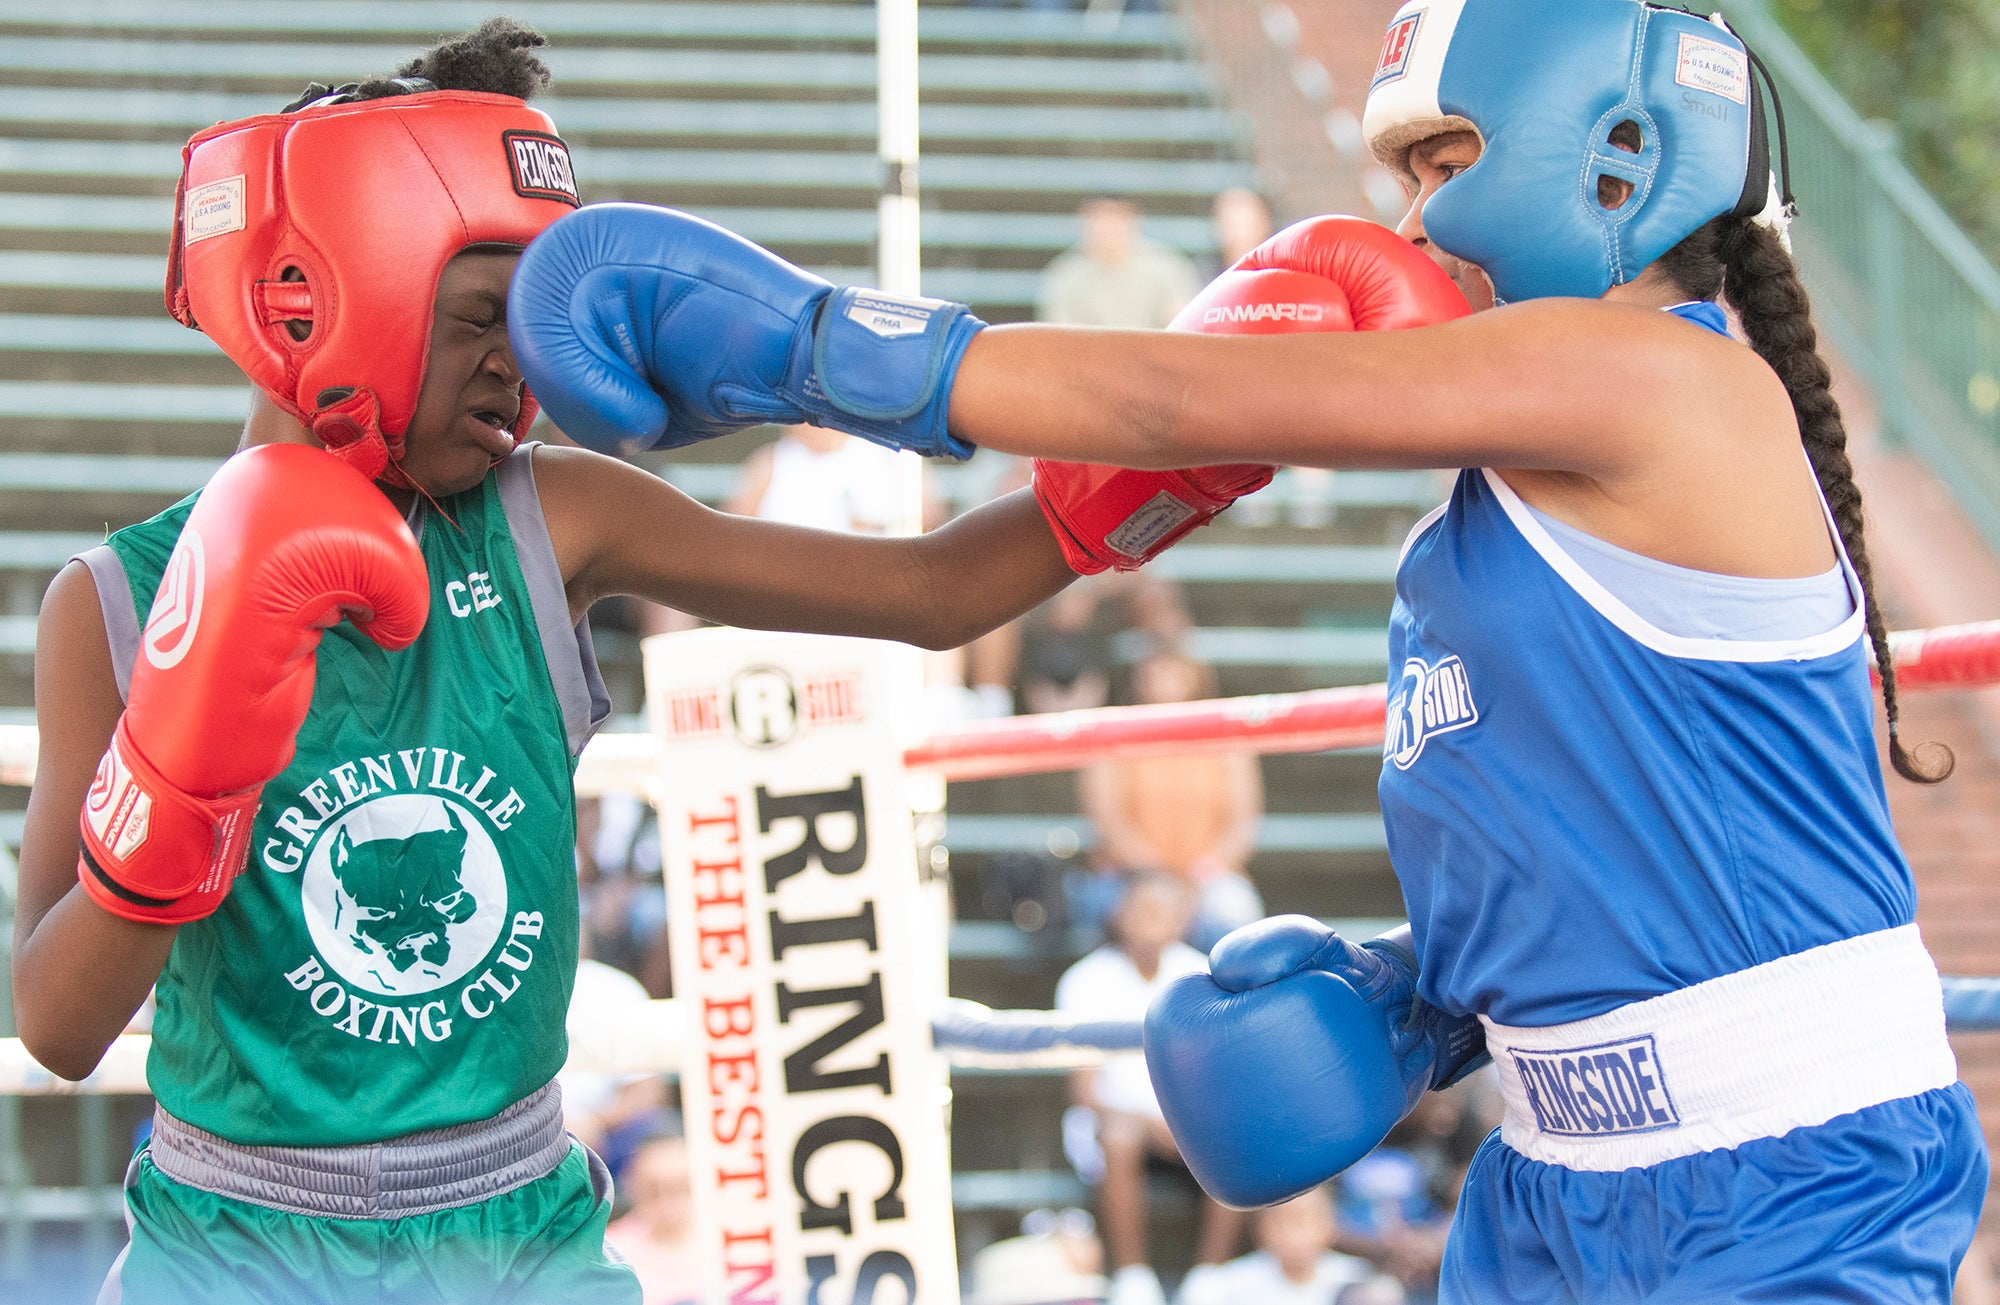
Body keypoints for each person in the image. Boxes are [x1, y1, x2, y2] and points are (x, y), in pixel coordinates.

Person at [501, 0, 1990, 1298]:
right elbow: (952, 587)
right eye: (1400, 174)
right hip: (1553, 1187)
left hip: (1790, 1186)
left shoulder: (1665, 387)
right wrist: (1434, 1001)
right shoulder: (1489, 517)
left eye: (1447, 160)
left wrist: (821, 345)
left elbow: (1164, 406)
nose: (1408, 220)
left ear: (1612, 155)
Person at [13, 22, 1263, 1305]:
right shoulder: (113, 600)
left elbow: (929, 593)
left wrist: (1184, 460)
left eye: (536, 316)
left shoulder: (549, 515)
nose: (523, 361)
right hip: (234, 1247)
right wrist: (179, 790)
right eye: (475, 319)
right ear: (312, 302)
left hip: (517, 1233)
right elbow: (56, 1027)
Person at [1053, 874, 1243, 1305]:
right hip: (1116, 1125)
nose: (1153, 921)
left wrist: (1182, 1121)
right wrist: (1147, 1121)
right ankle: (1132, 1278)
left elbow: (1219, 1080)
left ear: (1184, 920)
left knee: (1238, 1129)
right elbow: (1083, 1090)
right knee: (1119, 1134)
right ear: (1118, 915)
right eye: (1143, 910)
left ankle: (1208, 1279)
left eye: (1165, 911)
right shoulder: (1085, 979)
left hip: (1189, 1124)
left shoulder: (1201, 974)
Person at [1078, 650, 1264, 950]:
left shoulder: (1228, 739)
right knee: (1103, 905)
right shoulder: (1111, 734)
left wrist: (1198, 876)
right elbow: (1109, 823)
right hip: (1130, 875)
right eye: (1156, 670)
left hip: (1207, 878)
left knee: (1237, 915)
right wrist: (1159, 881)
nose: (1164, 679)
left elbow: (1241, 826)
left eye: (1173, 670)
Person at [1176, 1186, 1401, 1305]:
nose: (1292, 1234)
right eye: (1280, 1222)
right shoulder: (1230, 1284)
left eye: (1303, 1221)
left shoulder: (1356, 1279)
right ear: (1262, 1229)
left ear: (1329, 1225)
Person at [1036, 197, 1201, 331]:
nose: (1109, 226)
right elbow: (1060, 336)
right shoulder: (1066, 275)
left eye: (1117, 216)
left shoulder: (1167, 266)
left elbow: (1183, 326)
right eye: (1100, 217)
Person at [603, 1130, 702, 1305]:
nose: (668, 1204)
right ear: (633, 1187)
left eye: (681, 1188)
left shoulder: (731, 1240)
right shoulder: (609, 1252)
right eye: (653, 1192)